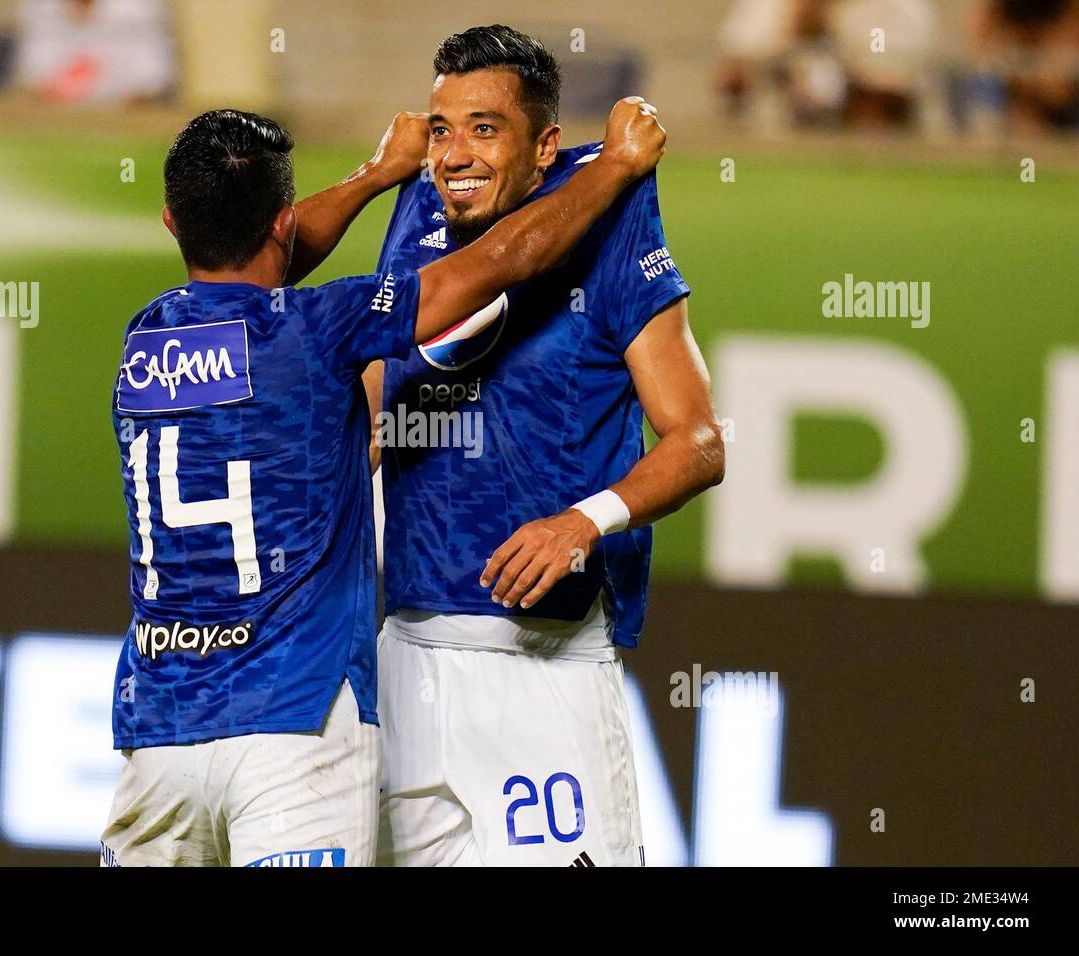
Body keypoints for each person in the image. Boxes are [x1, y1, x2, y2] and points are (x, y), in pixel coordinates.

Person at [99, 99, 667, 867]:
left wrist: (379, 173)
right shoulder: (319, 328)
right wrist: (617, 167)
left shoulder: (145, 340)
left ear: (171, 223)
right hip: (291, 724)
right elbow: (505, 260)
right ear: (281, 221)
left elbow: (256, 258)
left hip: (158, 737)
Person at [366, 25, 725, 867]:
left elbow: (700, 441)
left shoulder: (613, 222)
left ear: (545, 147)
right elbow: (375, 400)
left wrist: (585, 521)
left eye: (486, 129)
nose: (455, 154)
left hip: (541, 669)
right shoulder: (417, 210)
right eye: (443, 127)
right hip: (402, 662)